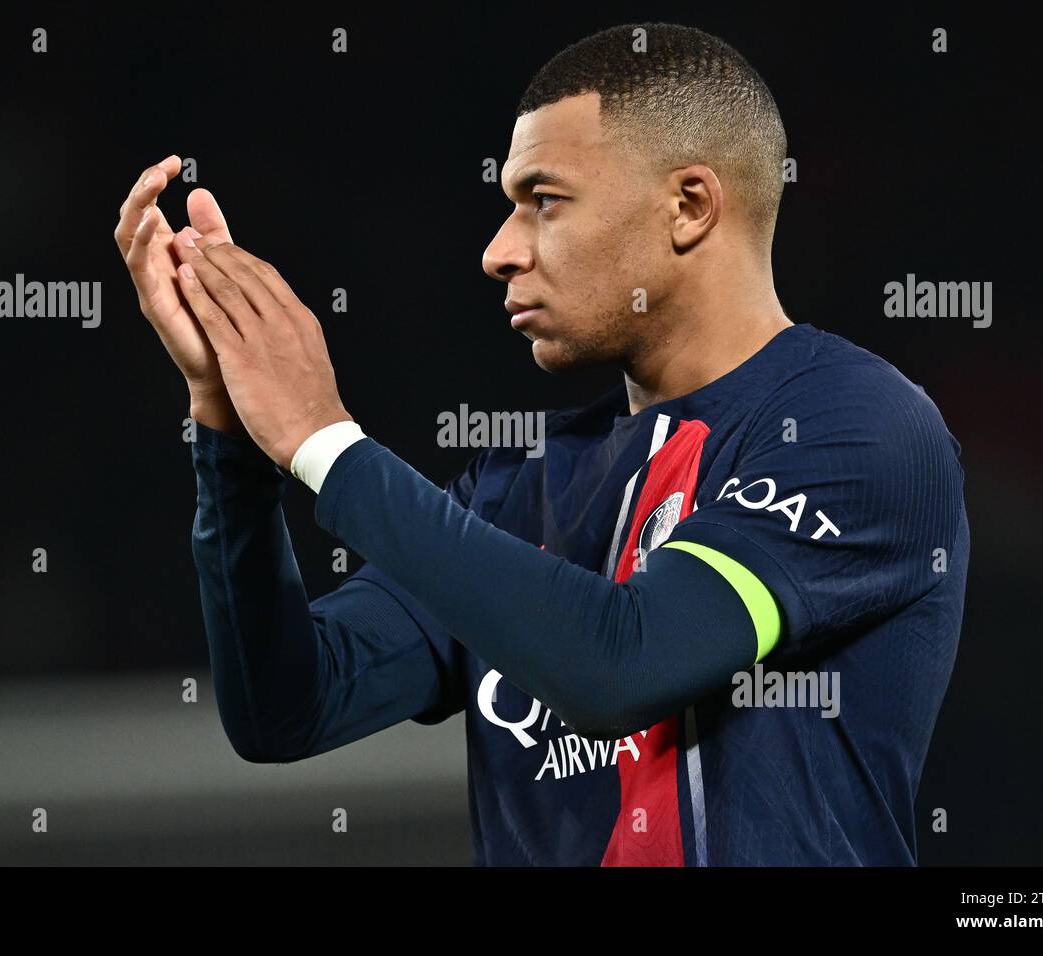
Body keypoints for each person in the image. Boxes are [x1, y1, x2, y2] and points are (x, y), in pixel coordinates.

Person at [113, 22, 969, 866]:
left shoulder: (857, 427)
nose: (497, 252)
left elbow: (621, 665)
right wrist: (226, 427)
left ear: (690, 206)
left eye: (544, 201)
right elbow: (285, 709)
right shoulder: (520, 488)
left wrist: (325, 441)